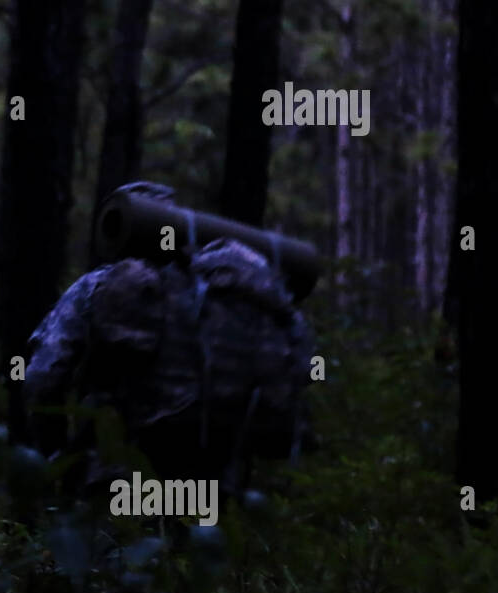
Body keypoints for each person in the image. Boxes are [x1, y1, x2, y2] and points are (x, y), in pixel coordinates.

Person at [23, 184, 314, 499]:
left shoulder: (95, 287)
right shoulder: (231, 296)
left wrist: (55, 455)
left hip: (119, 486)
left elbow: (43, 377)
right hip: (213, 492)